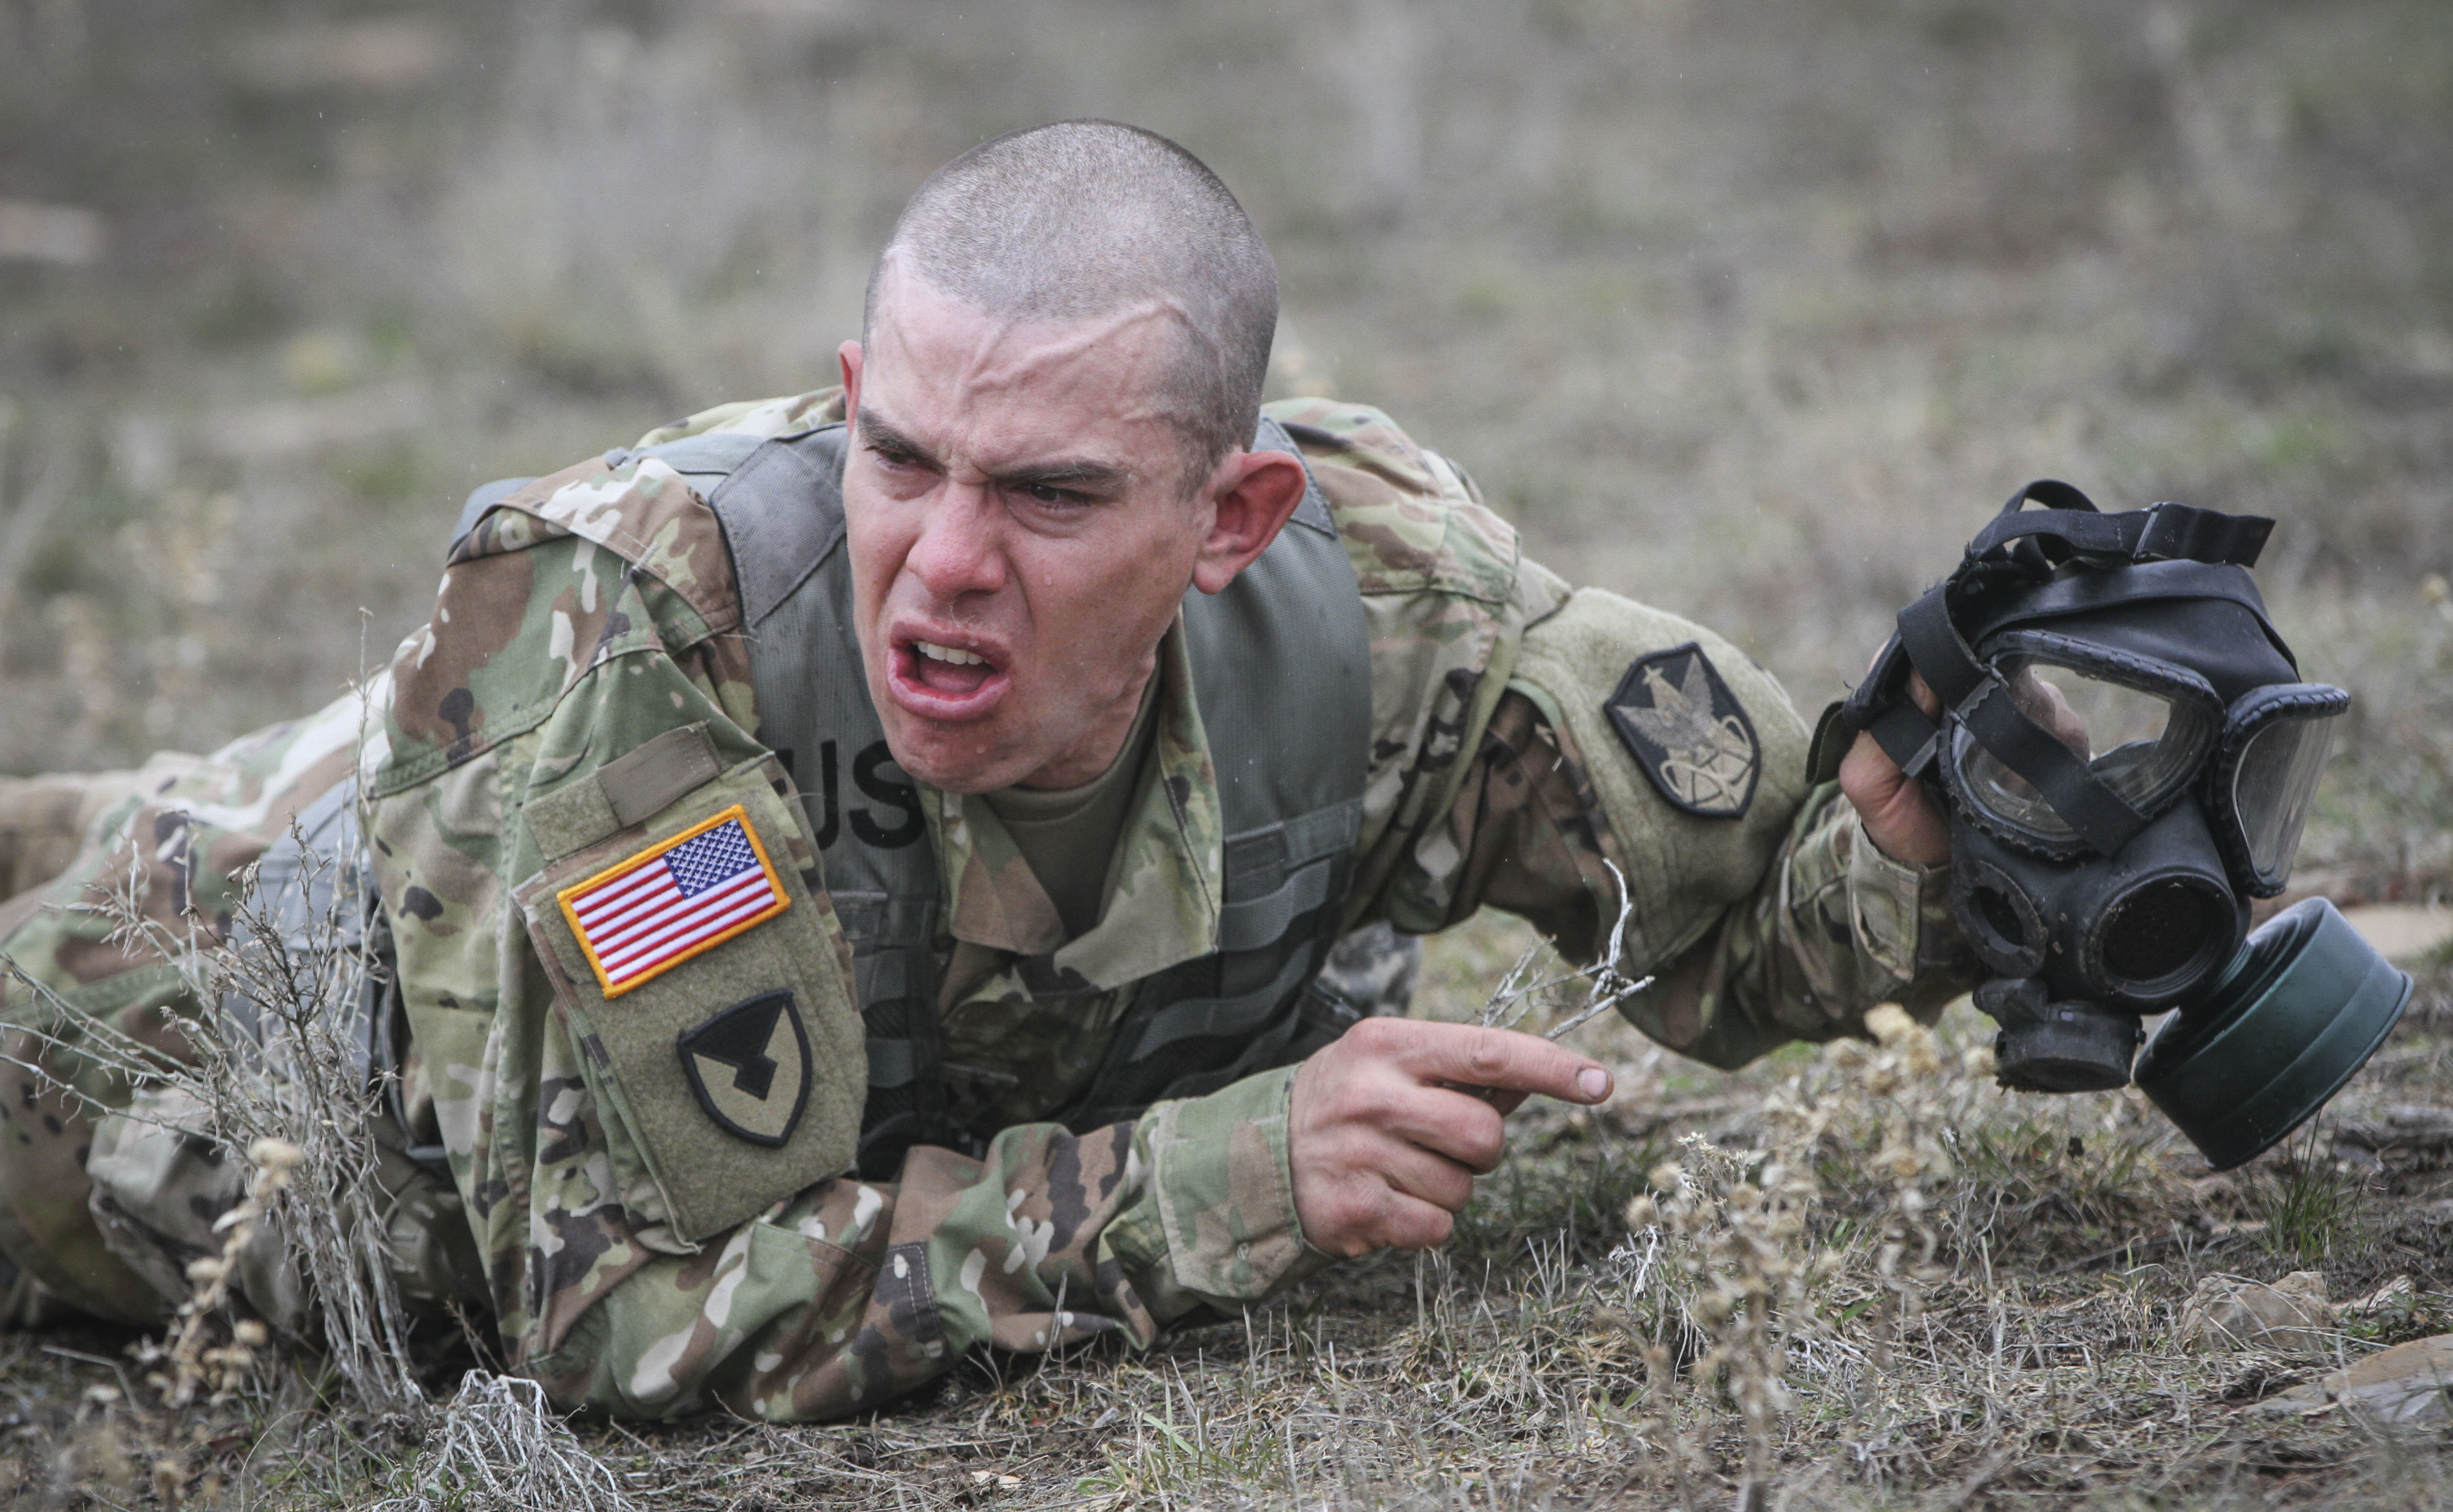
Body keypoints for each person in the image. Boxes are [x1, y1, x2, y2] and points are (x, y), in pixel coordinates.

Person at [0, 121, 1968, 1418]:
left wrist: (1955, 826)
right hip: (116, 1034)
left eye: (1048, 494)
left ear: (1234, 512)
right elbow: (612, 1321)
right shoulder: (644, 639)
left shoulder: (1383, 606)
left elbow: (1759, 930)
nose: (942, 565)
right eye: (905, 461)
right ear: (849, 407)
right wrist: (1212, 1178)